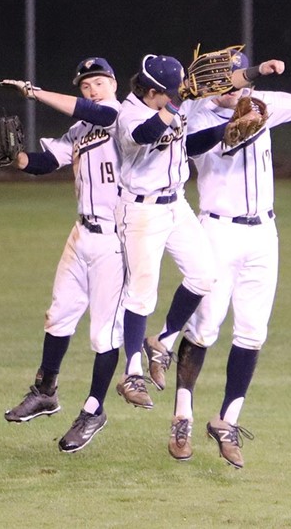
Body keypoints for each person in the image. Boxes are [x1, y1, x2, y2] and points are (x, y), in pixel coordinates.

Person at [162, 44, 291, 468]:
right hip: (216, 229)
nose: (232, 86)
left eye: (239, 75)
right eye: (224, 78)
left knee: (252, 333)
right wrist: (225, 119)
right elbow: (190, 146)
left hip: (264, 233)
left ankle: (227, 420)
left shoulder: (262, 104)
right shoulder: (193, 115)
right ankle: (182, 415)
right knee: (205, 329)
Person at [0, 57, 125, 453]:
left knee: (103, 332)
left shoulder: (121, 118)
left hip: (116, 241)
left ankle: (94, 409)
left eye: (98, 82)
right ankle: (46, 390)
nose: (91, 90)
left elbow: (95, 111)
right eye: (85, 85)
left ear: (114, 84)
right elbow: (46, 162)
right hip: (81, 233)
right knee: (59, 315)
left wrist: (33, 92)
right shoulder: (82, 129)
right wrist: (17, 159)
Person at [111, 54, 241, 410]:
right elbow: (145, 134)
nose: (176, 95)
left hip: (176, 203)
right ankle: (132, 372)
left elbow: (184, 145)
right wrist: (175, 104)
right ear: (151, 90)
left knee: (204, 276)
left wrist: (221, 132)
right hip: (141, 210)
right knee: (141, 293)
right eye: (169, 92)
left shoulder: (169, 106)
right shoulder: (130, 113)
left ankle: (161, 341)